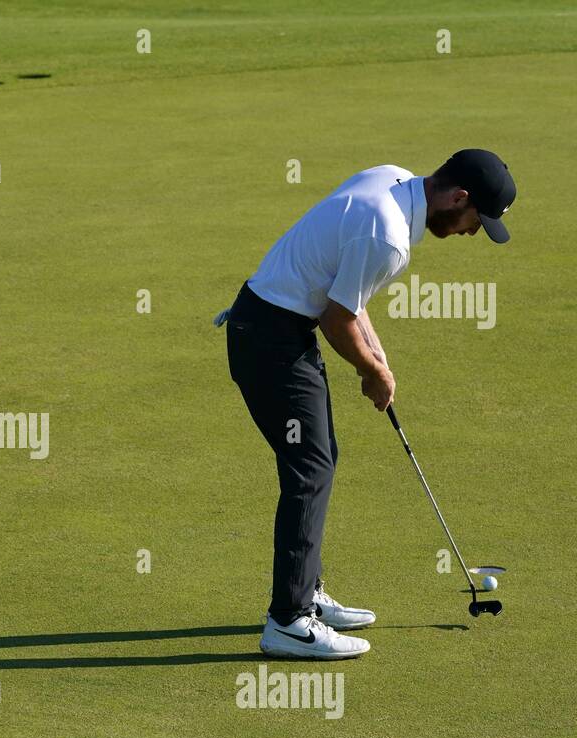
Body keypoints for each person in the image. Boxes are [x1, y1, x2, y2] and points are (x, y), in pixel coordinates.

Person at [216, 149, 517, 659]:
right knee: (309, 470)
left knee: (319, 460)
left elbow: (348, 296)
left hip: (274, 326)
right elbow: (337, 318)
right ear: (458, 198)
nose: (471, 233)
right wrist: (371, 371)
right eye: (475, 221)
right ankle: (288, 621)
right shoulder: (390, 238)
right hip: (271, 340)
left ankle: (305, 592)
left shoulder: (391, 180)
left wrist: (378, 355)